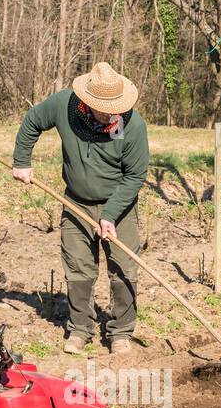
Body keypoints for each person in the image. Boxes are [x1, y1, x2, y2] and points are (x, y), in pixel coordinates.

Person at [12, 61, 149, 355]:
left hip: (120, 206)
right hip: (75, 202)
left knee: (124, 269)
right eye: (104, 107)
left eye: (116, 106)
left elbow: (135, 176)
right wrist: (22, 160)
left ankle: (120, 332)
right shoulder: (65, 105)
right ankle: (80, 329)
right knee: (78, 268)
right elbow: (33, 120)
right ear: (87, 102)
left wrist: (110, 215)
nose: (111, 113)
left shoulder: (133, 125)